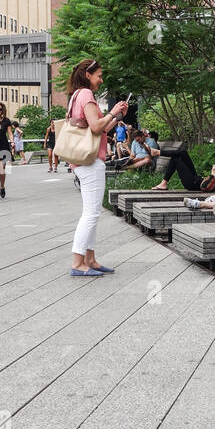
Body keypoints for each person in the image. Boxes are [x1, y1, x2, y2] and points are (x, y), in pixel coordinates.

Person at [65, 58, 129, 277]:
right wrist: (113, 111)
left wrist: (116, 116)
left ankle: (90, 259)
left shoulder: (76, 96)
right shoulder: (86, 95)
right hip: (90, 161)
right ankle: (77, 263)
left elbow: (100, 130)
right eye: (99, 75)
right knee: (91, 213)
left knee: (91, 212)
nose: (101, 80)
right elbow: (95, 126)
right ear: (88, 75)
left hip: (85, 161)